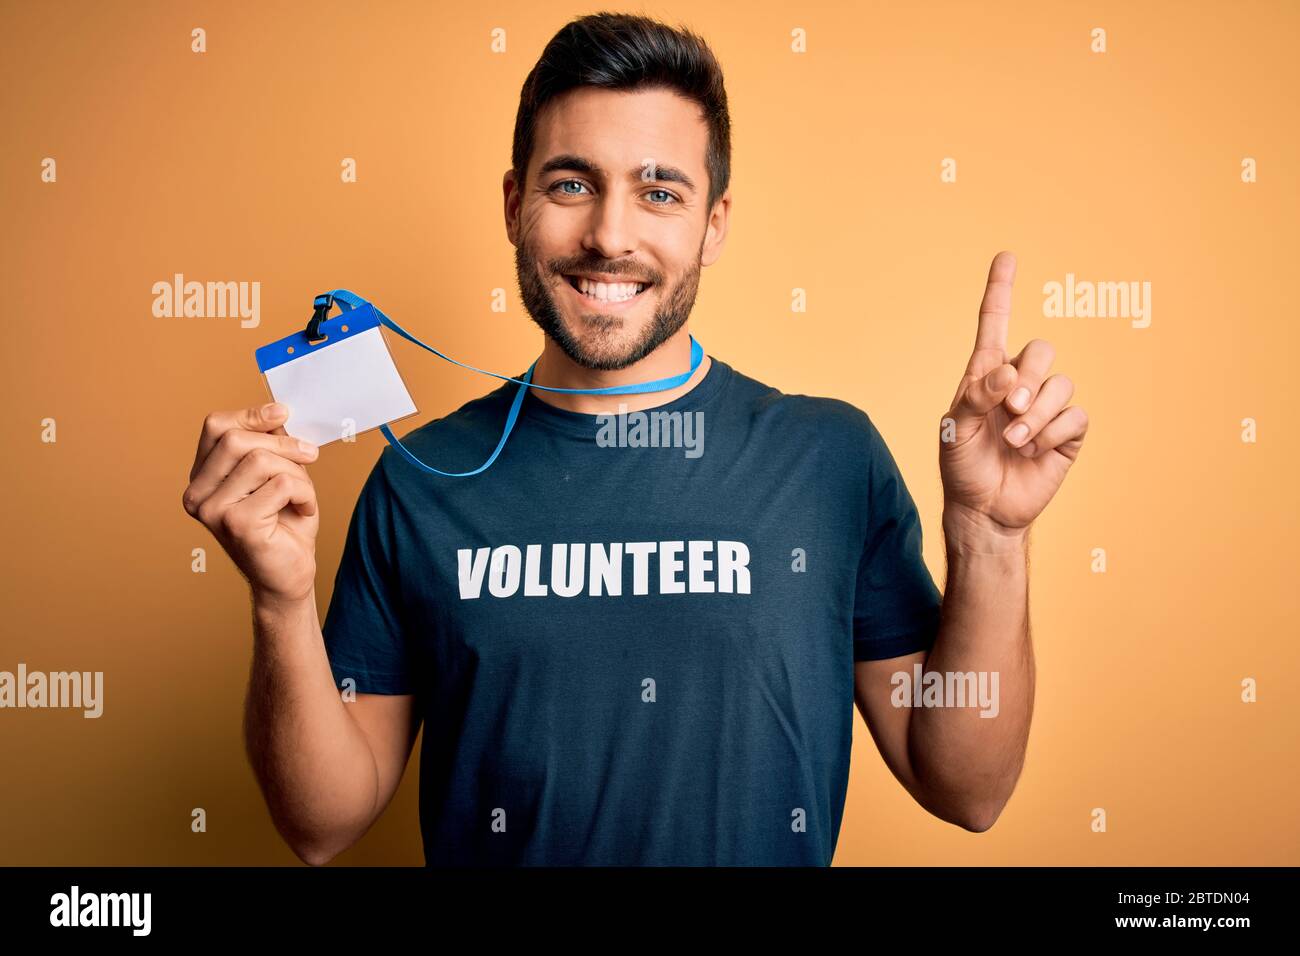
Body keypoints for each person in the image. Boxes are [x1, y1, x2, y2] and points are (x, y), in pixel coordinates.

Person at [181, 12, 1087, 866]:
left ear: (713, 225)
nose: (609, 235)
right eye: (571, 184)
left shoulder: (830, 460)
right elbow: (321, 826)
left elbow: (966, 787)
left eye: (660, 191)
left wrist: (992, 539)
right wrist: (280, 602)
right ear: (513, 206)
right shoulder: (421, 479)